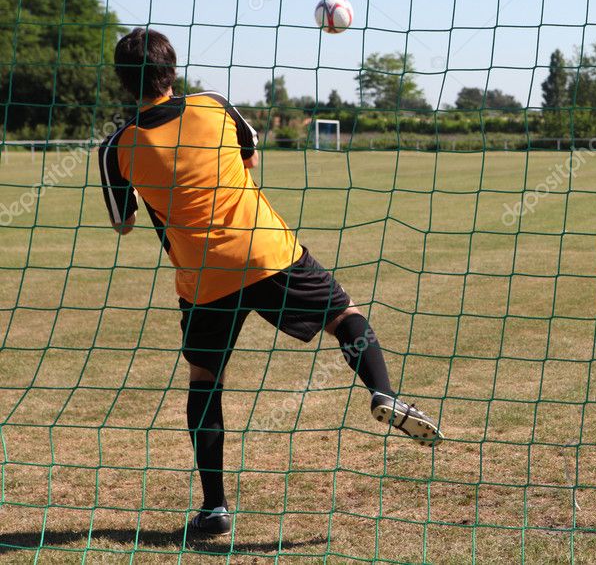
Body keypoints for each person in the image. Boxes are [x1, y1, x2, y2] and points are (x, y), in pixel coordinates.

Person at [99, 28, 442, 537]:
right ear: (172, 71)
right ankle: (383, 392)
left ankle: (214, 507)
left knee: (204, 381)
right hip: (266, 252)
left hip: (202, 276)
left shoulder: (116, 147)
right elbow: (250, 157)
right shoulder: (214, 106)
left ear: (124, 83)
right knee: (345, 314)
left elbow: (122, 222)